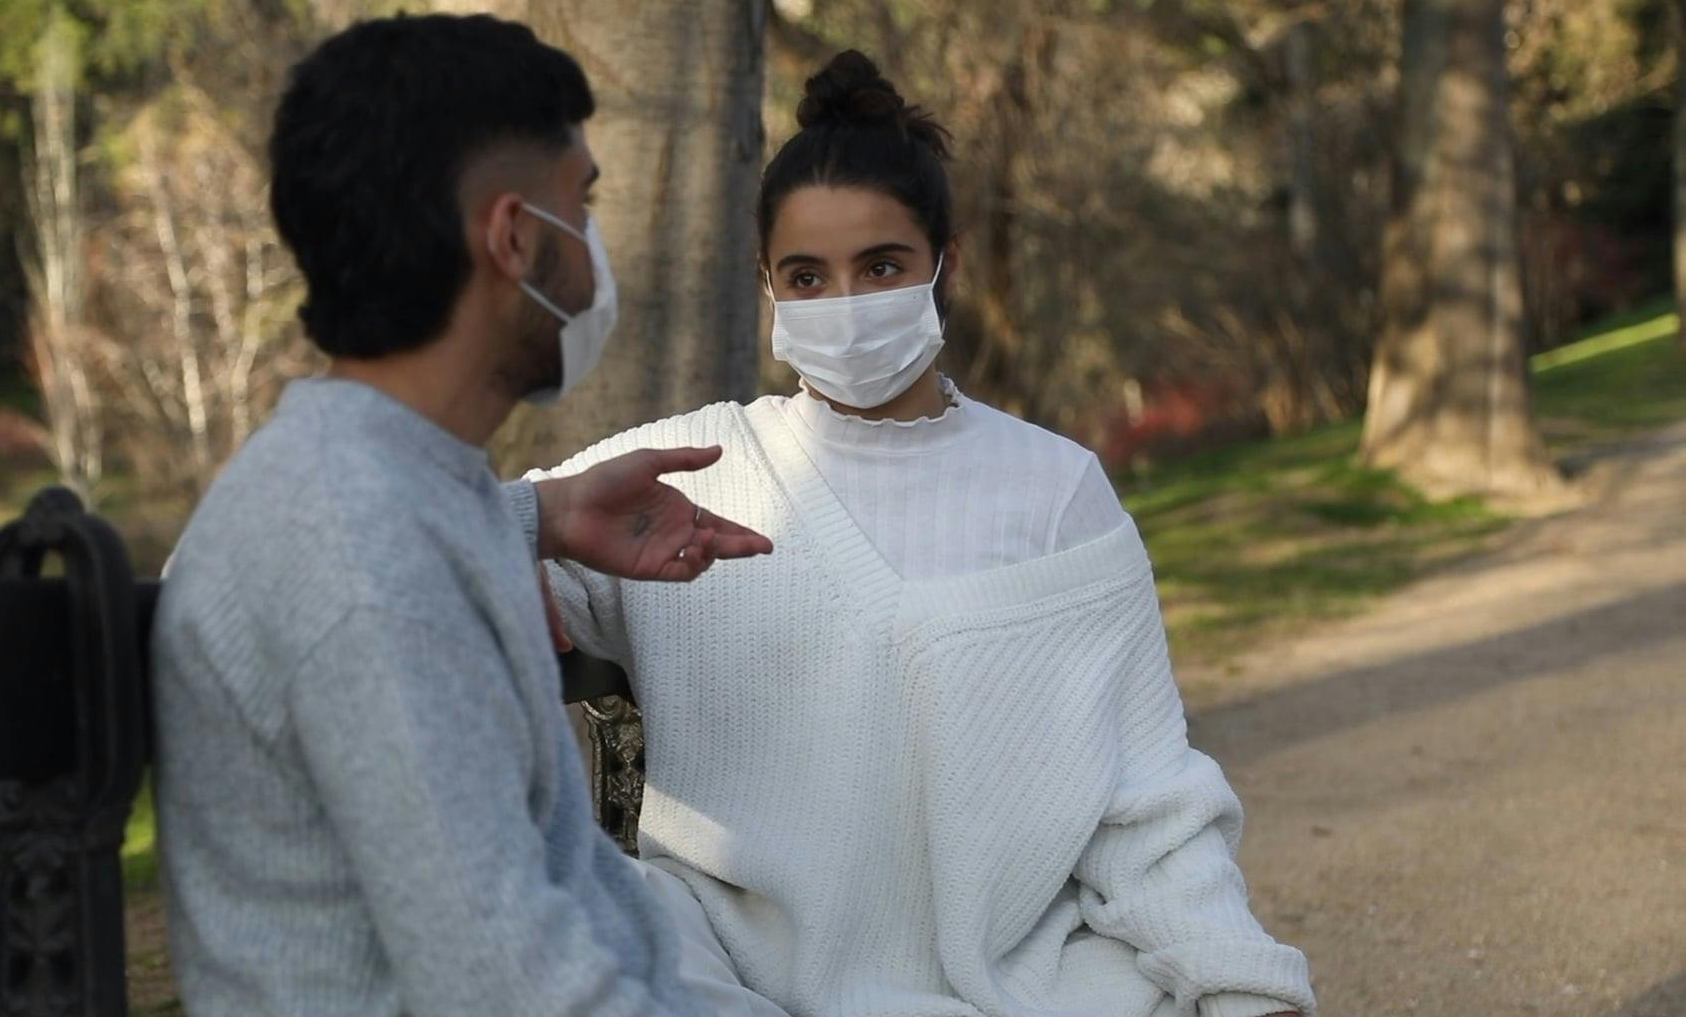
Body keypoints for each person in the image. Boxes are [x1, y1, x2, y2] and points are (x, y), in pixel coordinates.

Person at [538, 51, 1319, 1017]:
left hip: (1017, 980)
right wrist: (531, 528)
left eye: (881, 267)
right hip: (727, 974)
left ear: (944, 261)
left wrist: (1238, 983)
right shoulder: (682, 468)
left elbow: (1147, 799)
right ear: (767, 283)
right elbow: (429, 568)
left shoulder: (1054, 488)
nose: (846, 307)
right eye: (807, 276)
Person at [149, 13, 786, 1015]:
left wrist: (541, 514)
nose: (596, 250)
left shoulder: (381, 489)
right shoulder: (361, 558)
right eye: (584, 202)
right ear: (515, 237)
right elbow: (507, 986)